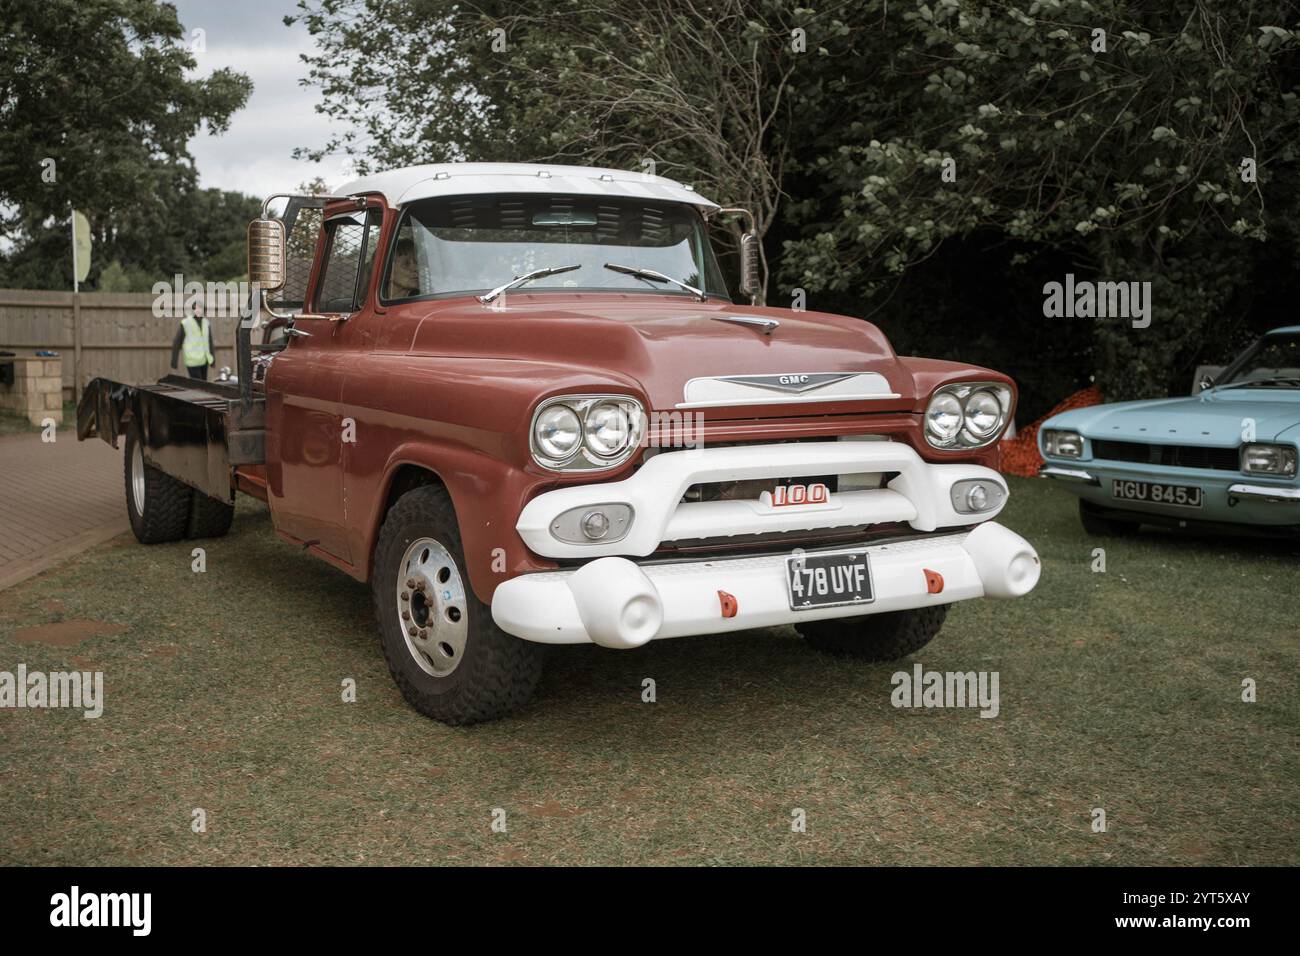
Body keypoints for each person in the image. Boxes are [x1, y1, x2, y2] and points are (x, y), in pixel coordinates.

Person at [171, 300, 214, 380]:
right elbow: (177, 342)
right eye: (195, 308)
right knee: (198, 386)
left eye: (200, 308)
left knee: (204, 385)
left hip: (204, 360)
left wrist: (212, 359)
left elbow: (210, 342)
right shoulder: (186, 323)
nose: (198, 310)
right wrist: (174, 361)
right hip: (192, 361)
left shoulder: (206, 323)